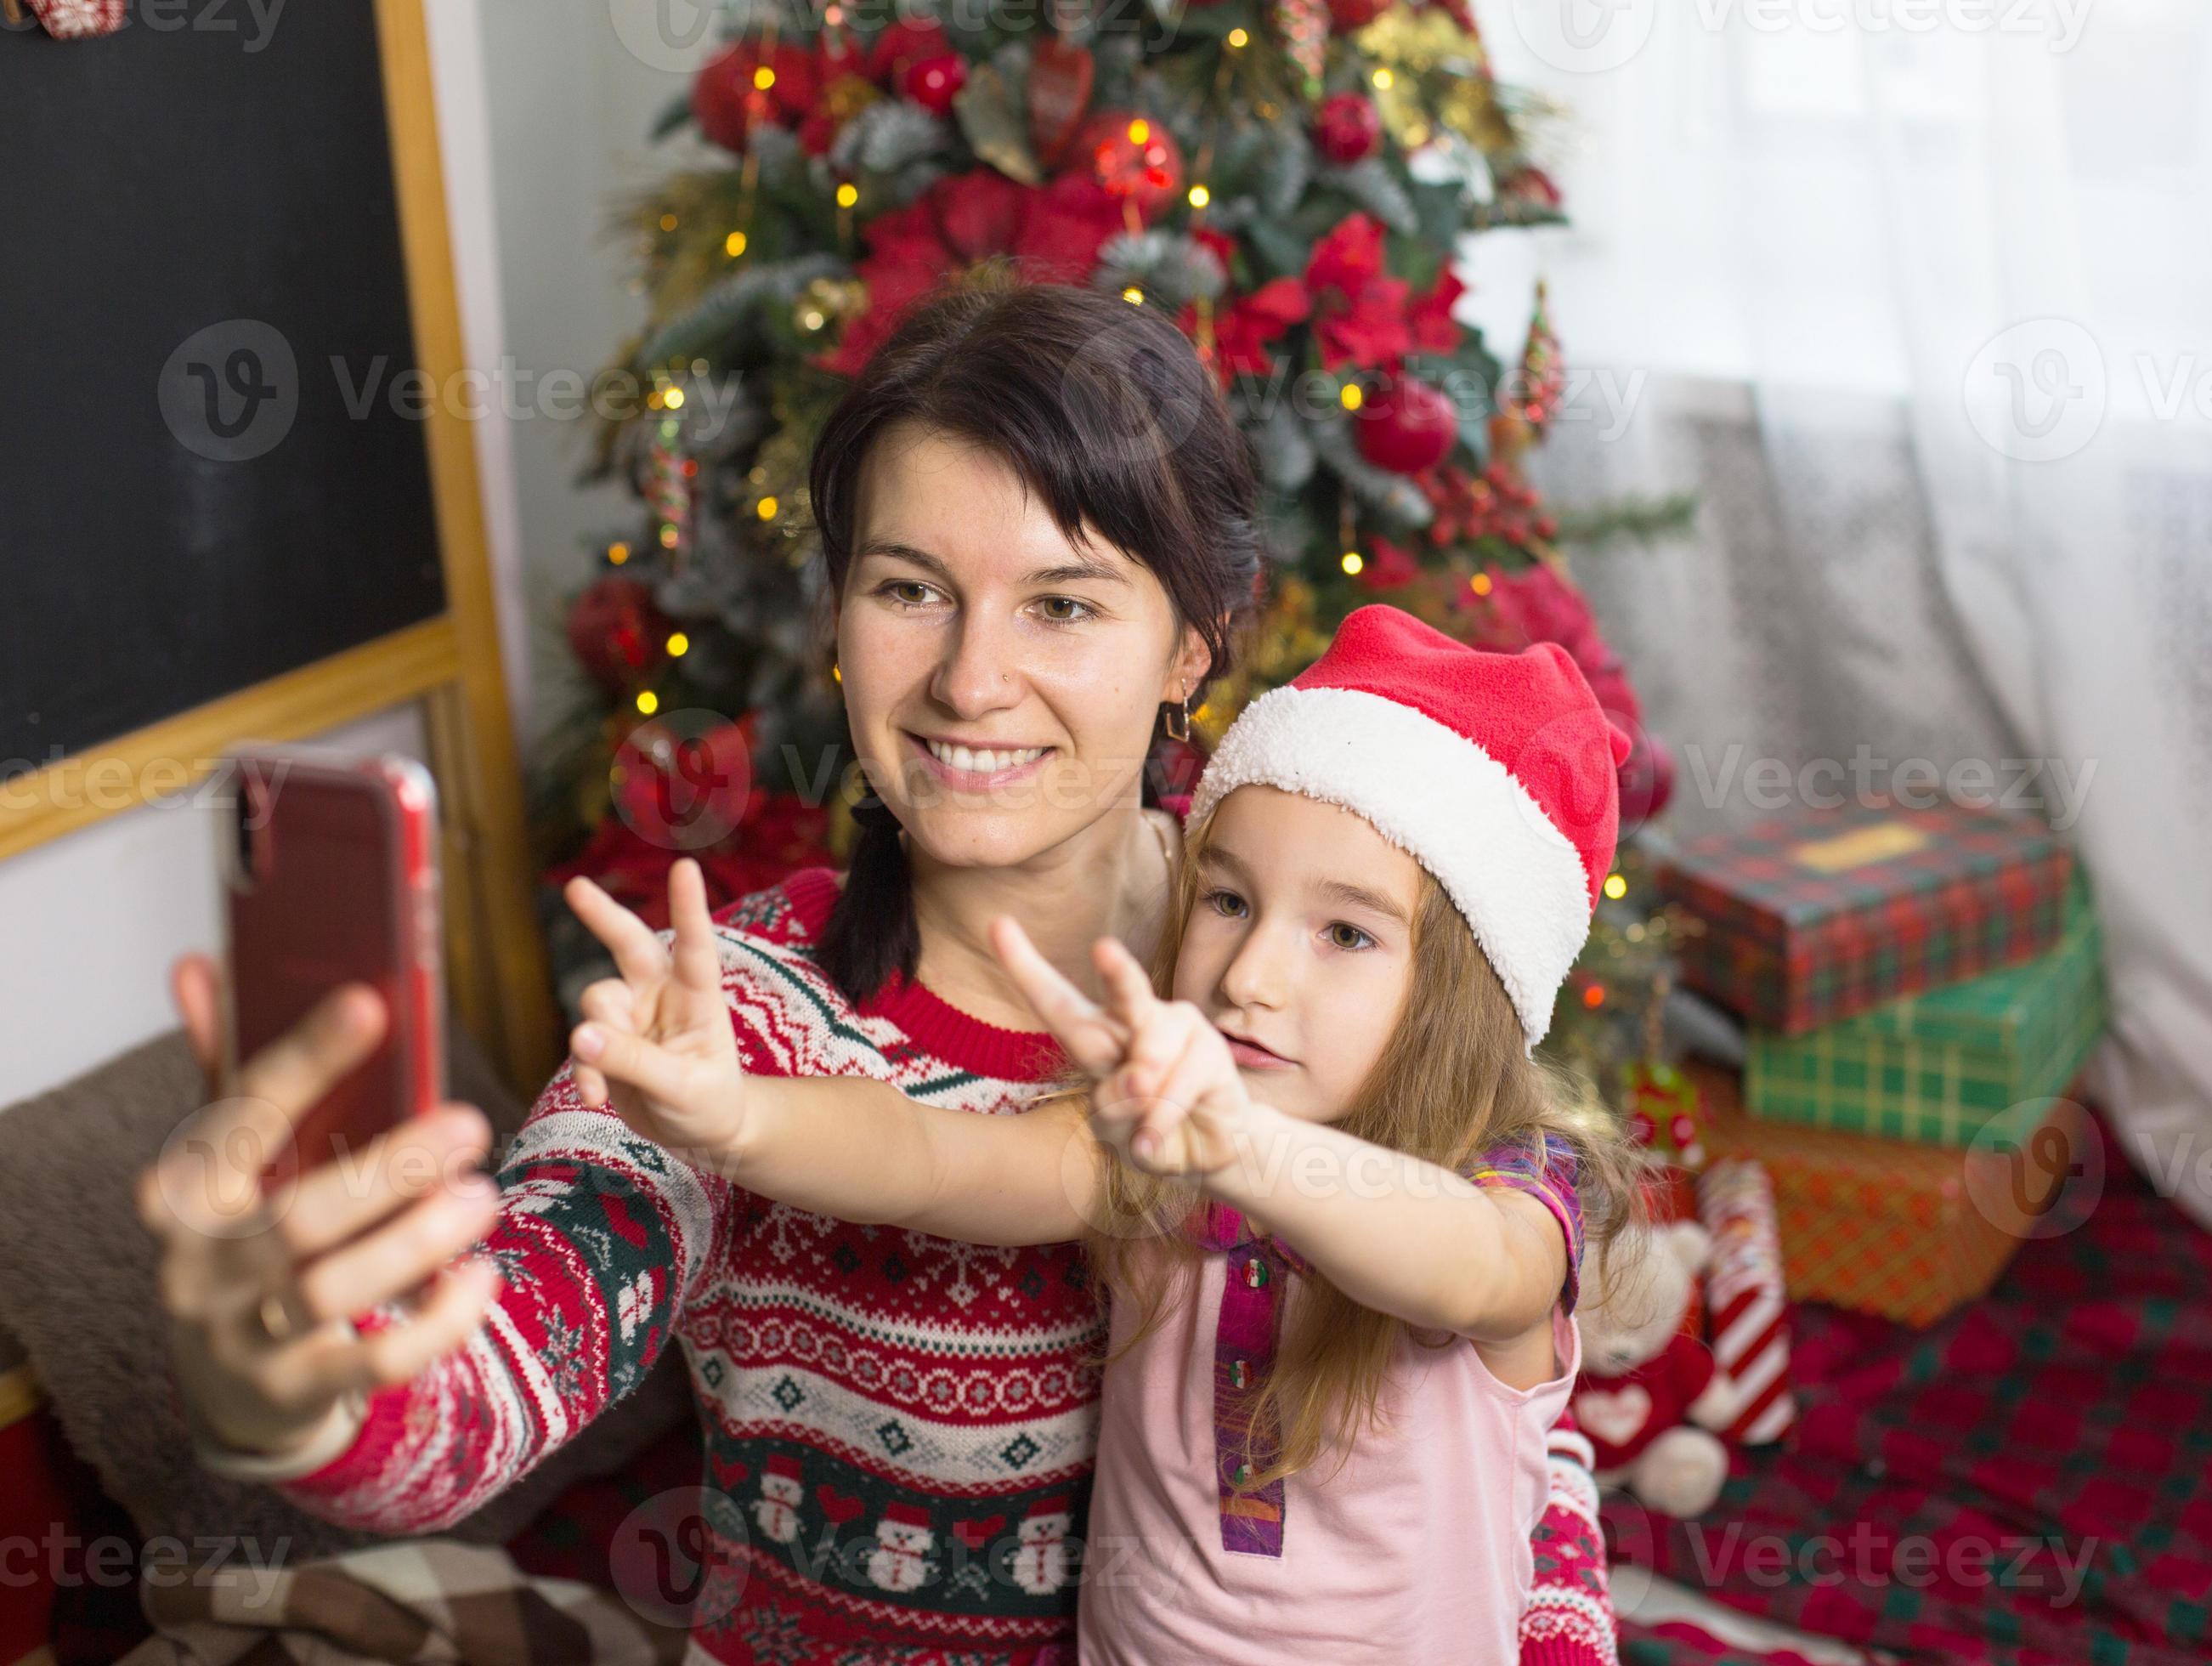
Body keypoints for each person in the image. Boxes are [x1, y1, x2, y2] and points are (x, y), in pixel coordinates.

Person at [135, 280, 1617, 1663]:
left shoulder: (1308, 948)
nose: (972, 682)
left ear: (1196, 645)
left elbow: (1503, 1439)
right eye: (910, 589)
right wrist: (292, 1382)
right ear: (837, 619)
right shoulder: (728, 1015)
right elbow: (495, 1371)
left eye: (1064, 602)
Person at [565, 604, 1644, 1661]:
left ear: (1465, 993)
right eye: (1227, 902)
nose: (1252, 975)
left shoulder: (1511, 1190)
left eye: (1346, 932)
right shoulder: (1155, 1141)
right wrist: (740, 1113)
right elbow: (932, 1155)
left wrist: (1241, 1150)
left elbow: (1470, 1271)